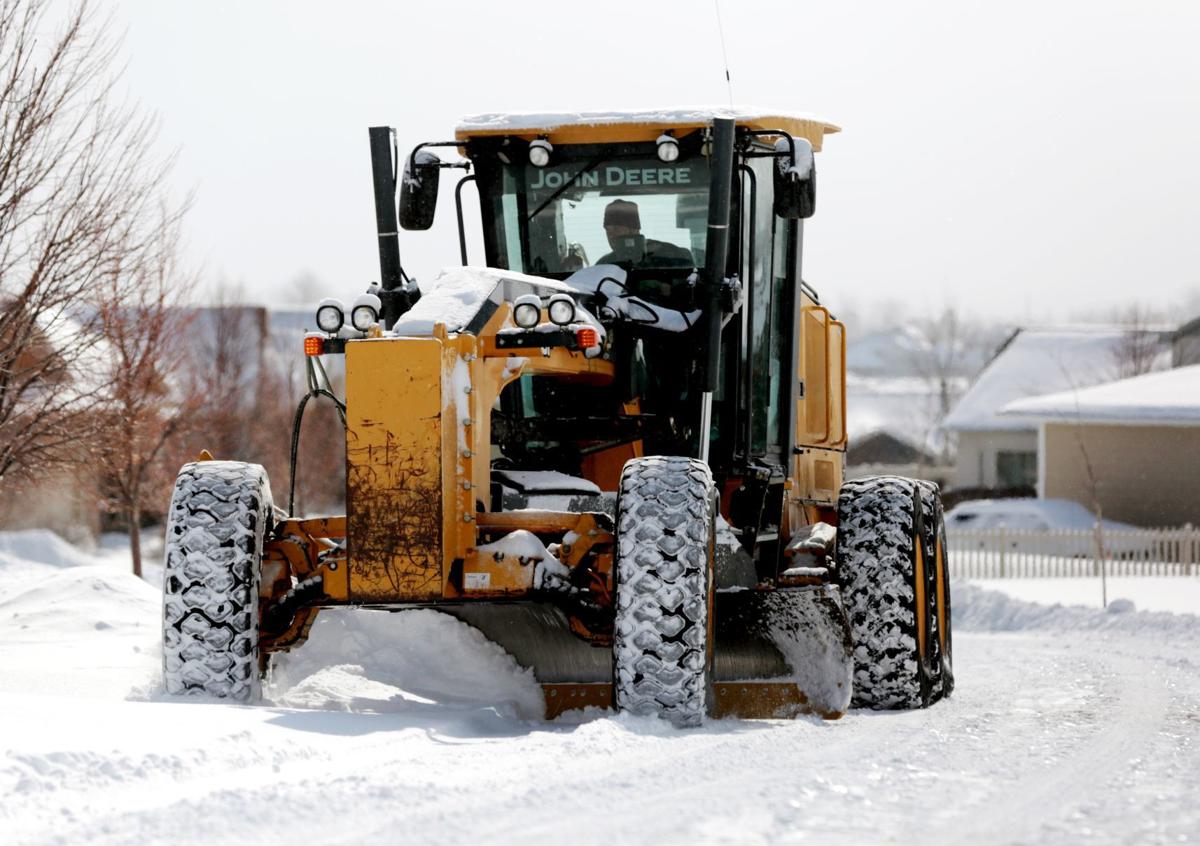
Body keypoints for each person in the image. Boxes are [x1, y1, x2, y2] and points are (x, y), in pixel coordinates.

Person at [596, 199, 693, 268]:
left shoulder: (672, 255)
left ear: (634, 229)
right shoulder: (604, 265)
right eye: (607, 230)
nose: (611, 235)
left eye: (616, 228)